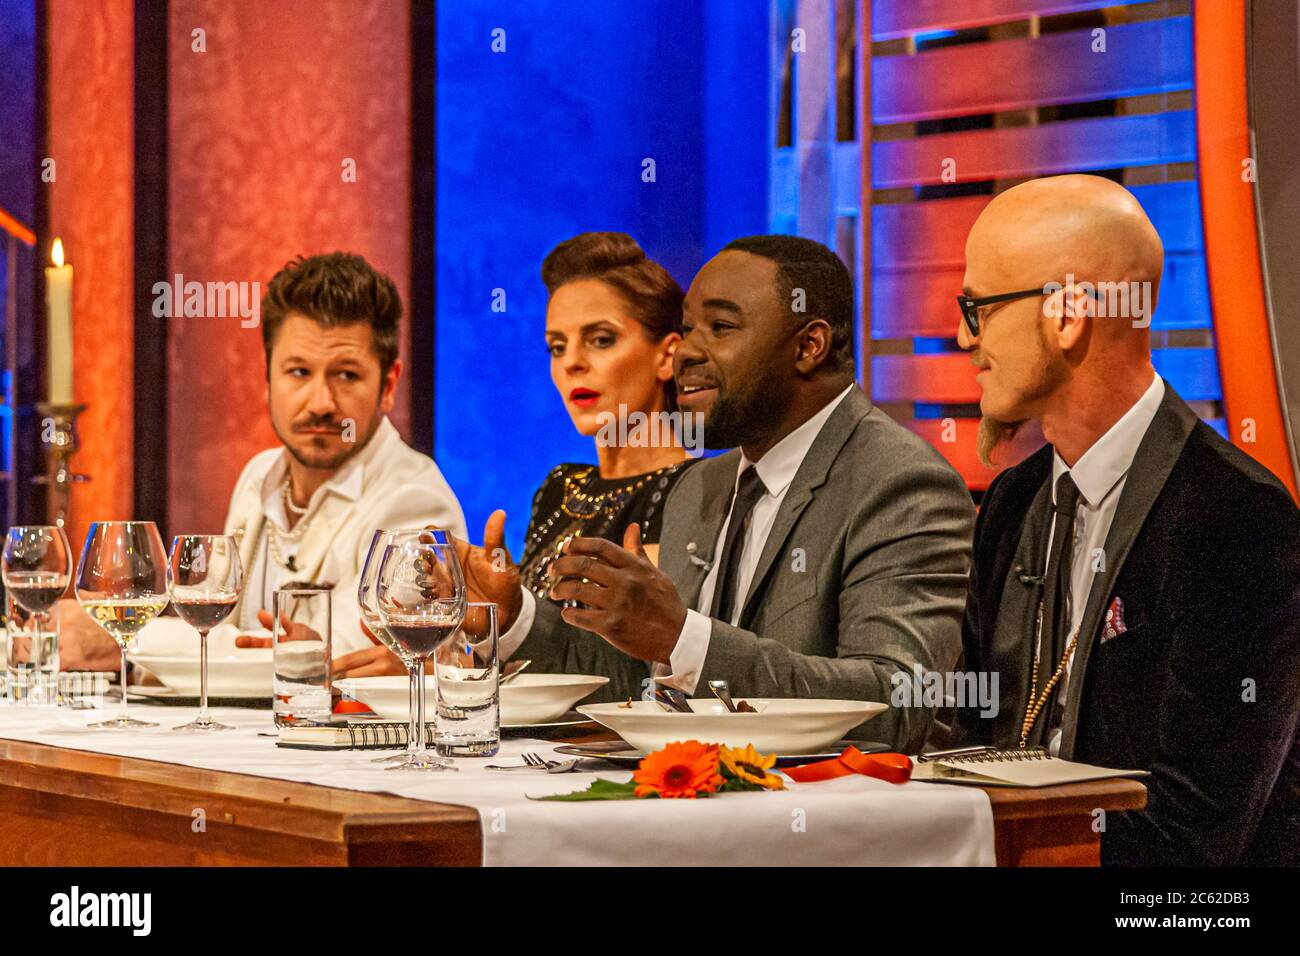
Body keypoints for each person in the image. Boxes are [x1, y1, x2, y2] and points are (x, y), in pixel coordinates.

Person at [458, 235, 976, 753]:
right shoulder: (702, 485)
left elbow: (897, 701)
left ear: (808, 346)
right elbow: (636, 684)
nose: (687, 352)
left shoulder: (899, 482)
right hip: (689, 804)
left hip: (823, 818)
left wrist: (684, 636)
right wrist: (513, 616)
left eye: (721, 328)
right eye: (686, 329)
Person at [948, 173, 1300, 865]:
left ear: (1068, 313)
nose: (962, 339)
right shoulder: (1015, 500)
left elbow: (1198, 834)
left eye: (976, 307)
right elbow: (969, 736)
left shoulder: (1236, 515)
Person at [59, 252, 466, 671]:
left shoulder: (415, 500)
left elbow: (341, 655)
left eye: (346, 375)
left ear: (388, 385)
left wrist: (127, 642)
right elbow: (215, 627)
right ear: (268, 379)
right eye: (298, 372)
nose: (321, 403)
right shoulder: (259, 475)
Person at [336, 231, 696, 677]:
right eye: (557, 346)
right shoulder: (564, 486)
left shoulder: (696, 492)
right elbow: (533, 647)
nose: (572, 363)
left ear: (668, 356)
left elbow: (644, 668)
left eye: (601, 340)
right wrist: (438, 660)